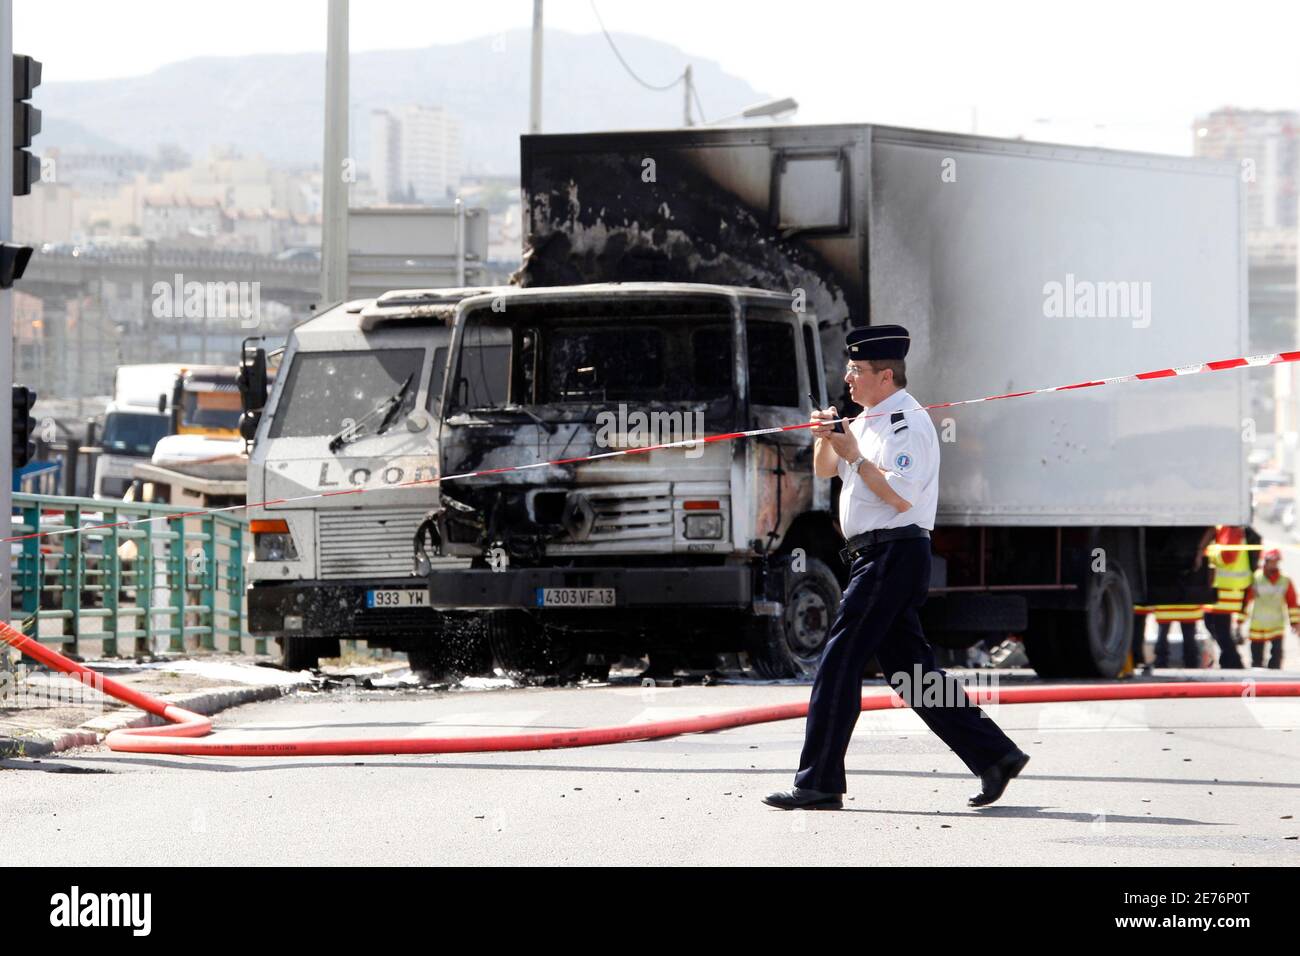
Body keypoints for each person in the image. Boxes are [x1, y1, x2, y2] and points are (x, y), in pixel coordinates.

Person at [763, 324, 1029, 811]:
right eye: (848, 368)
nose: (847, 377)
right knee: (911, 674)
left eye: (857, 370)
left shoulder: (908, 422)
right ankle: (995, 756)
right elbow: (827, 469)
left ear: (886, 375)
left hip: (894, 552)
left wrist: (856, 456)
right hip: (875, 554)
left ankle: (818, 782)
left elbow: (901, 496)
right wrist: (829, 437)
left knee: (838, 661)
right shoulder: (865, 418)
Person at [1195, 525, 1248, 669]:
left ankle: (1233, 661)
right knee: (1213, 623)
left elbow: (1227, 556)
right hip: (1222, 588)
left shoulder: (1231, 529)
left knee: (1220, 627)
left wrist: (1208, 553)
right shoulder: (1225, 528)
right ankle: (1230, 658)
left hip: (1227, 590)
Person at [1242, 548, 1295, 669]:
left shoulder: (1285, 580)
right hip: (1258, 625)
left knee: (1276, 656)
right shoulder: (1256, 578)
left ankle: (1274, 681)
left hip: (1276, 625)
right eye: (1272, 561)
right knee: (1257, 659)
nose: (1274, 564)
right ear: (1265, 561)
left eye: (1276, 561)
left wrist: (1295, 623)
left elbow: (1292, 603)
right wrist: (1239, 622)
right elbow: (1245, 601)